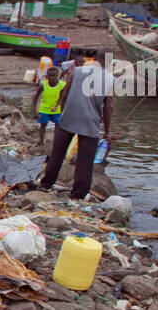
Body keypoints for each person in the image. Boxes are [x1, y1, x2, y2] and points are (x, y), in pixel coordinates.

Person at [38, 46, 113, 199]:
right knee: (85, 162)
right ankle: (78, 194)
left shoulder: (77, 72)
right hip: (90, 123)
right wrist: (107, 131)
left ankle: (46, 183)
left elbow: (64, 95)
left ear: (95, 59)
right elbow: (108, 107)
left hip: (68, 118)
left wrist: (63, 112)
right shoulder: (111, 79)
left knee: (57, 154)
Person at [33, 64, 66, 148]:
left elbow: (62, 97)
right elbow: (35, 97)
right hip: (44, 108)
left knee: (58, 126)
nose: (51, 78)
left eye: (54, 76)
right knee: (43, 125)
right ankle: (41, 141)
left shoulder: (62, 85)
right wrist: (34, 111)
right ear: (47, 76)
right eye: (50, 76)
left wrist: (57, 105)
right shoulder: (43, 85)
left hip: (56, 109)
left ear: (58, 76)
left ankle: (56, 142)